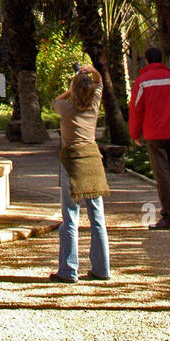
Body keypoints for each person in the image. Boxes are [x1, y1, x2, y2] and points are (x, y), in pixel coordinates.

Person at [49, 64, 110, 283]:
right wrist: (91, 70)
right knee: (97, 218)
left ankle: (68, 270)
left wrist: (71, 87)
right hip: (93, 162)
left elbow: (54, 101)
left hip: (72, 162)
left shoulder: (65, 108)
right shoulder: (94, 106)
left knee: (70, 218)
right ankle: (102, 269)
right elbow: (100, 81)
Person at [129, 45, 170, 230]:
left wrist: (135, 133)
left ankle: (168, 216)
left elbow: (136, 109)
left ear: (146, 60)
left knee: (162, 174)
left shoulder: (142, 82)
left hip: (154, 133)